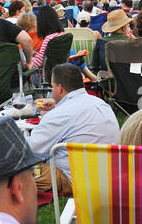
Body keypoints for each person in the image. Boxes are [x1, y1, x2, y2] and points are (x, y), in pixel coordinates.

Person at [26, 63, 120, 195]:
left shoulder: (59, 115)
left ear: (60, 88)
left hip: (76, 179)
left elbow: (30, 150)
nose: (51, 92)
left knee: (17, 169)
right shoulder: (100, 103)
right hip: (110, 173)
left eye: (52, 87)